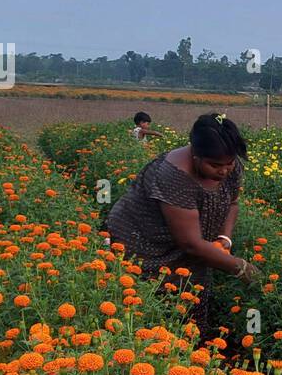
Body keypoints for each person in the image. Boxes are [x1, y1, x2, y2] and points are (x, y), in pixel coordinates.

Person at [106, 112, 259, 328]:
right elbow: (190, 244)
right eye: (215, 165)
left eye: (229, 163)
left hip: (193, 244)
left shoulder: (227, 162)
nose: (224, 170)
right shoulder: (174, 175)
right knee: (148, 303)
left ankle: (192, 347)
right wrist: (240, 267)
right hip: (143, 241)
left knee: (192, 294)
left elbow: (232, 203)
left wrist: (225, 238)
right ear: (195, 154)